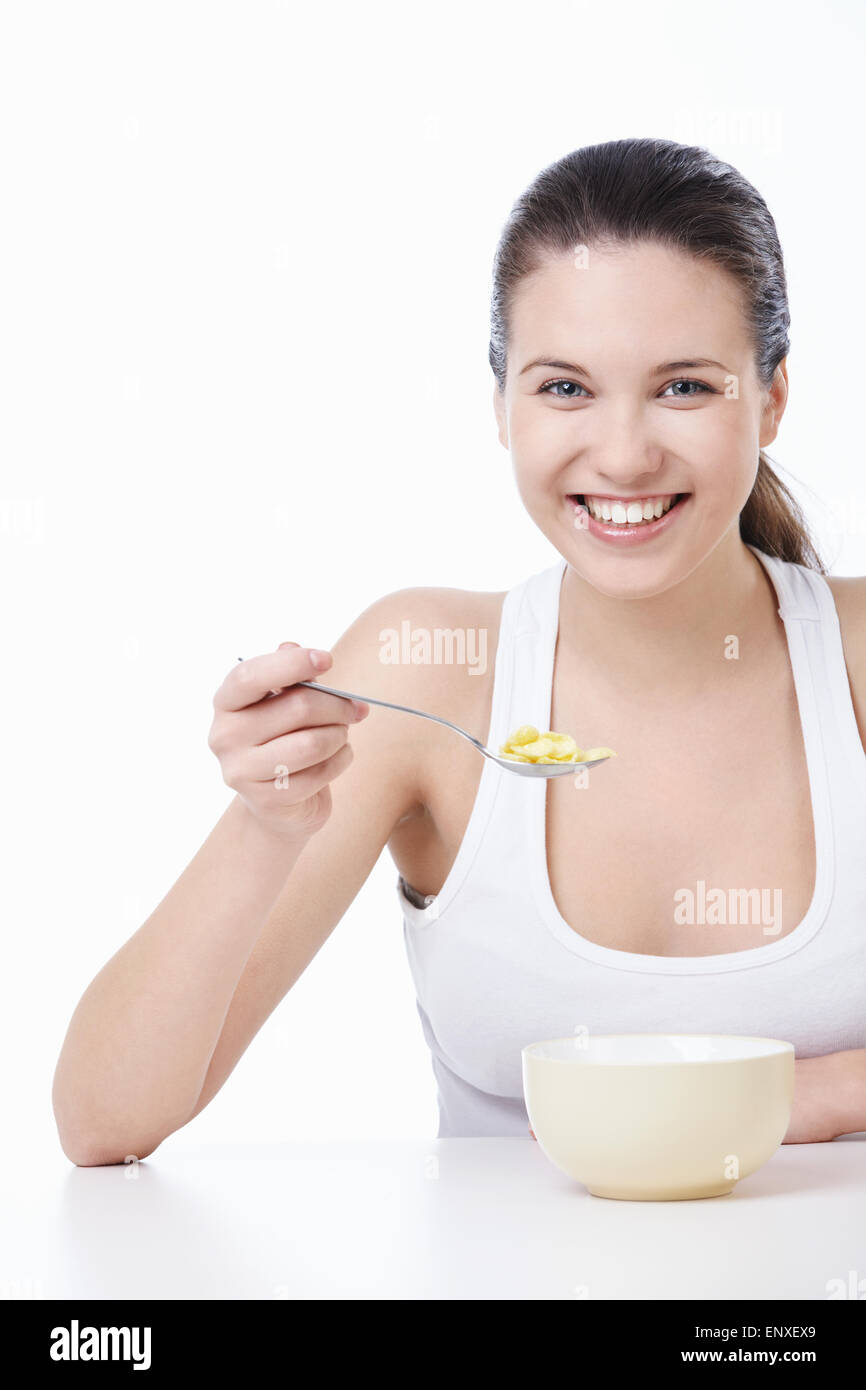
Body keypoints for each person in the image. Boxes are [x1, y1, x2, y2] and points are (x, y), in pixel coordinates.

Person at [52, 138, 866, 1164]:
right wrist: (266, 825)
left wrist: (820, 1093)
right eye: (564, 389)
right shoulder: (424, 674)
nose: (620, 454)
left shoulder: (854, 657)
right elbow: (102, 1119)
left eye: (683, 388)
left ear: (771, 396)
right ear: (499, 405)